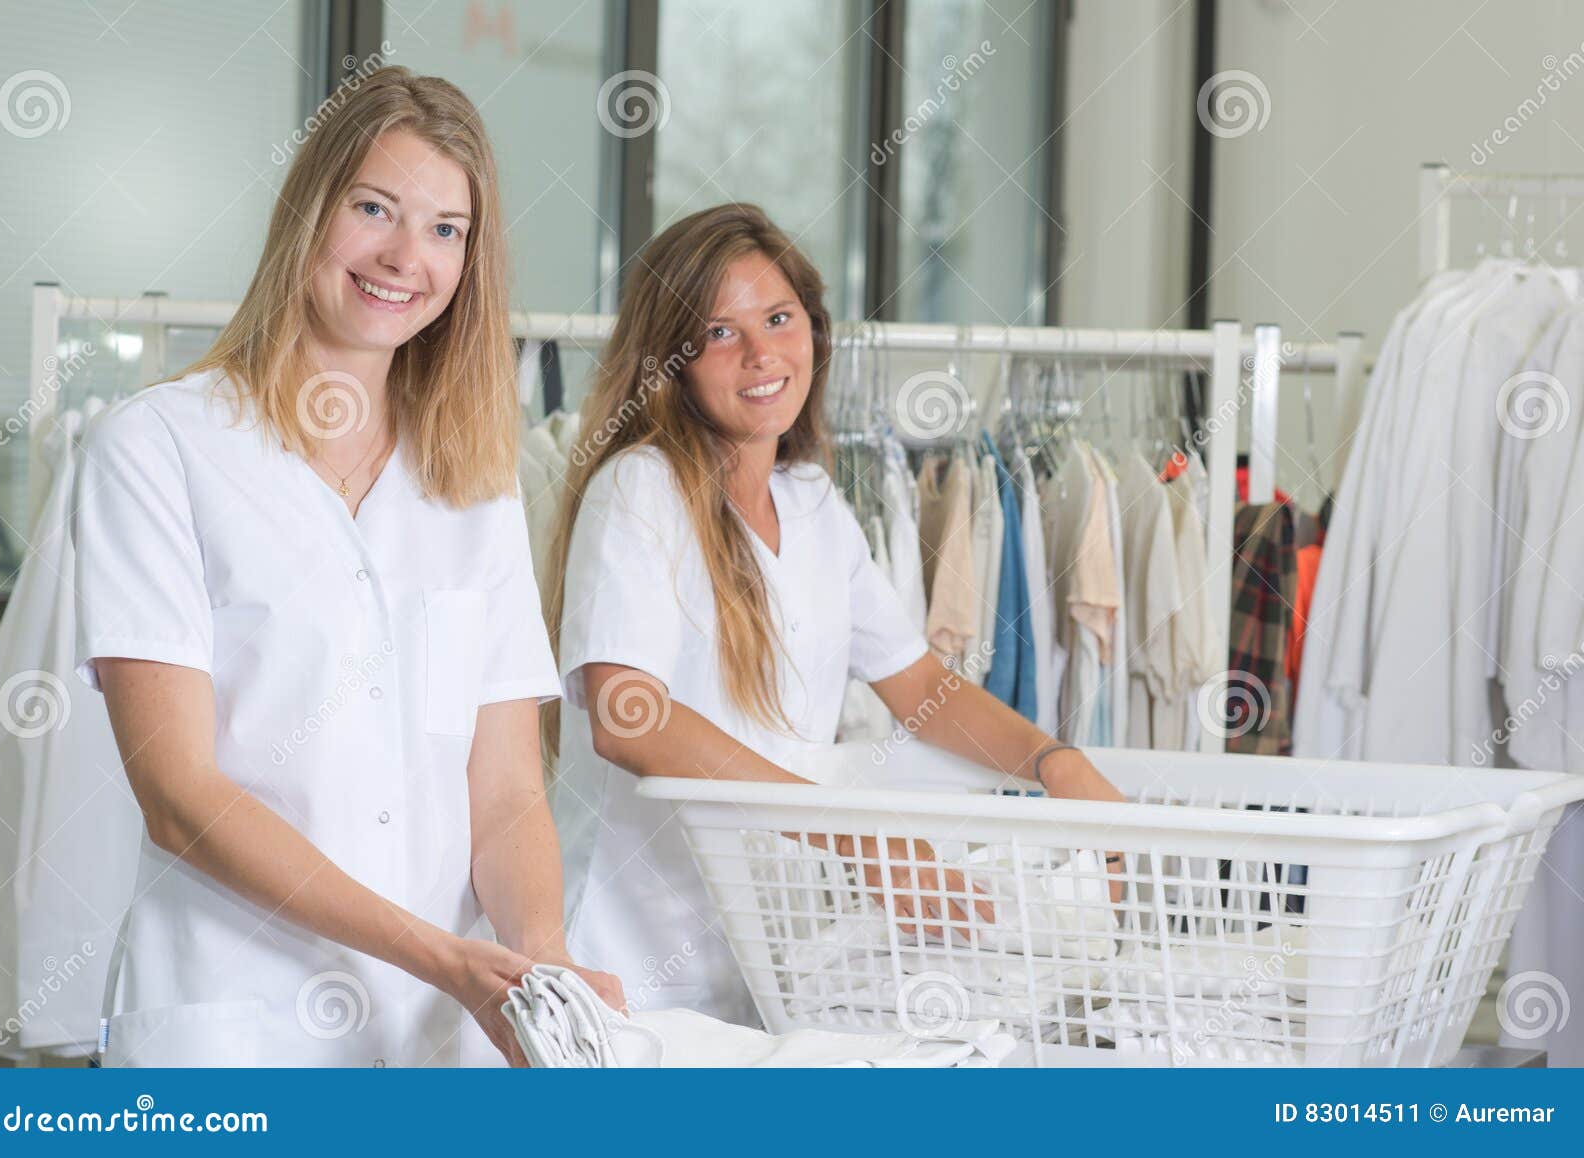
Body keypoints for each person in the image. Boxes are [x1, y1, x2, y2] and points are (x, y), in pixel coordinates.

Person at [73, 67, 619, 1068]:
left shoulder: (475, 481)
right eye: (375, 208)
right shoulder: (157, 448)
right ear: (309, 213)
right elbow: (179, 794)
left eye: (447, 229)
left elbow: (501, 789)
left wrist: (539, 956)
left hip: (433, 1038)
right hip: (233, 1023)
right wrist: (440, 957)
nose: (406, 257)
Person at [543, 203, 1126, 1026]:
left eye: (780, 319)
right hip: (625, 958)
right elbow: (627, 717)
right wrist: (860, 838)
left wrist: (1052, 760)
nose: (761, 354)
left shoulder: (812, 501)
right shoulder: (641, 489)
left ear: (814, 331)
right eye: (719, 332)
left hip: (763, 956)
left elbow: (921, 683)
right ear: (669, 361)